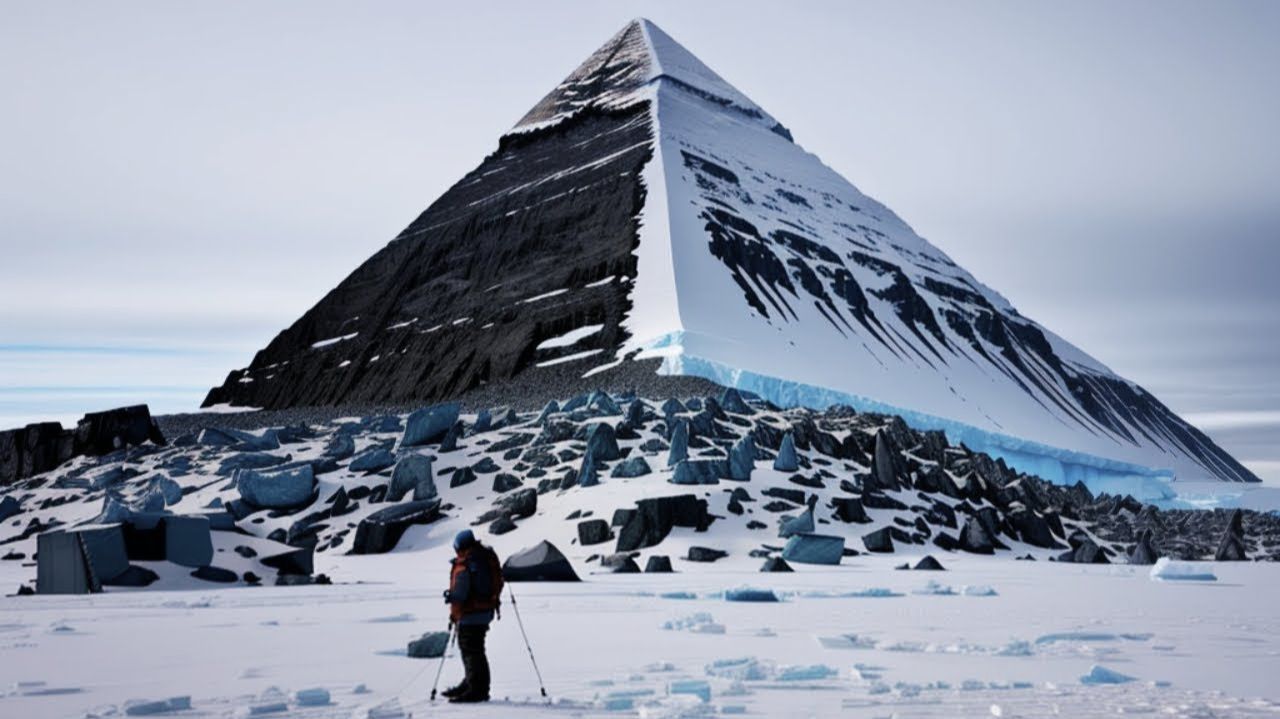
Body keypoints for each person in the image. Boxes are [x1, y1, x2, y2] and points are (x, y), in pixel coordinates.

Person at [442, 529, 503, 703]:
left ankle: (477, 689)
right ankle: (471, 682)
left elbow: (461, 594)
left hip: (470, 614)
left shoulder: (466, 563)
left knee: (472, 651)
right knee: (474, 650)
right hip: (485, 611)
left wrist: (451, 598)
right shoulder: (485, 557)